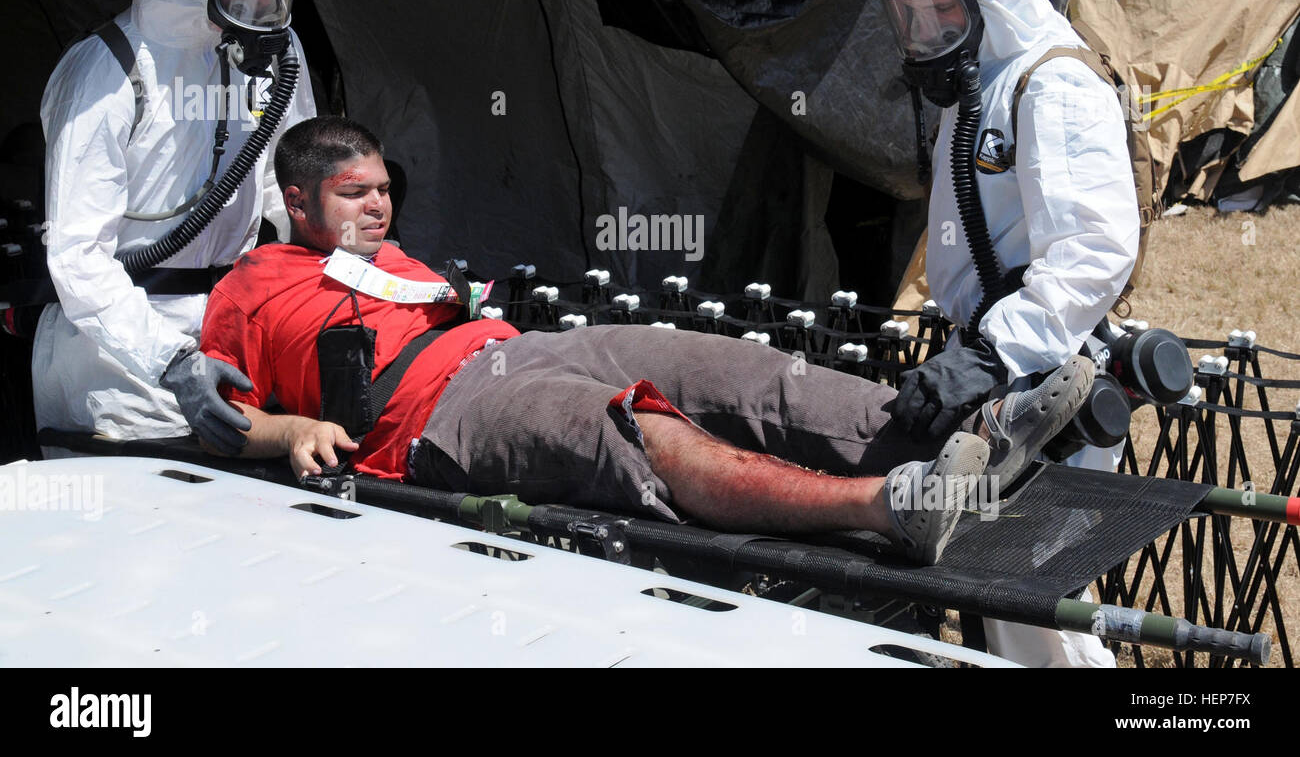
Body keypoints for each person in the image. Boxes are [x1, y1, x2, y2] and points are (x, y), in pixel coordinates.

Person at [196, 116, 1095, 566]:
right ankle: (889, 504)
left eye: (385, 189)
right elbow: (221, 414)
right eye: (356, 195)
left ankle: (969, 437)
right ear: (301, 201)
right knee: (636, 427)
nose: (380, 206)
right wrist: (289, 432)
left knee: (735, 365)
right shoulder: (250, 286)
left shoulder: (385, 256)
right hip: (438, 414)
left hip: (514, 345)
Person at [877, 0, 1141, 662]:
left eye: (943, 13)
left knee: (1035, 595)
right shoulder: (978, 88)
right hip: (995, 378)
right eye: (910, 16)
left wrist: (994, 351)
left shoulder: (1053, 83)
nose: (926, 34)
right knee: (995, 599)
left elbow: (1094, 251)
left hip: (1055, 383)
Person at [35, 0, 316, 443]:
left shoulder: (276, 53)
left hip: (234, 335)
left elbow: (293, 187)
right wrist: (172, 361)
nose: (263, 3)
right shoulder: (108, 68)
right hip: (117, 362)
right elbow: (78, 255)